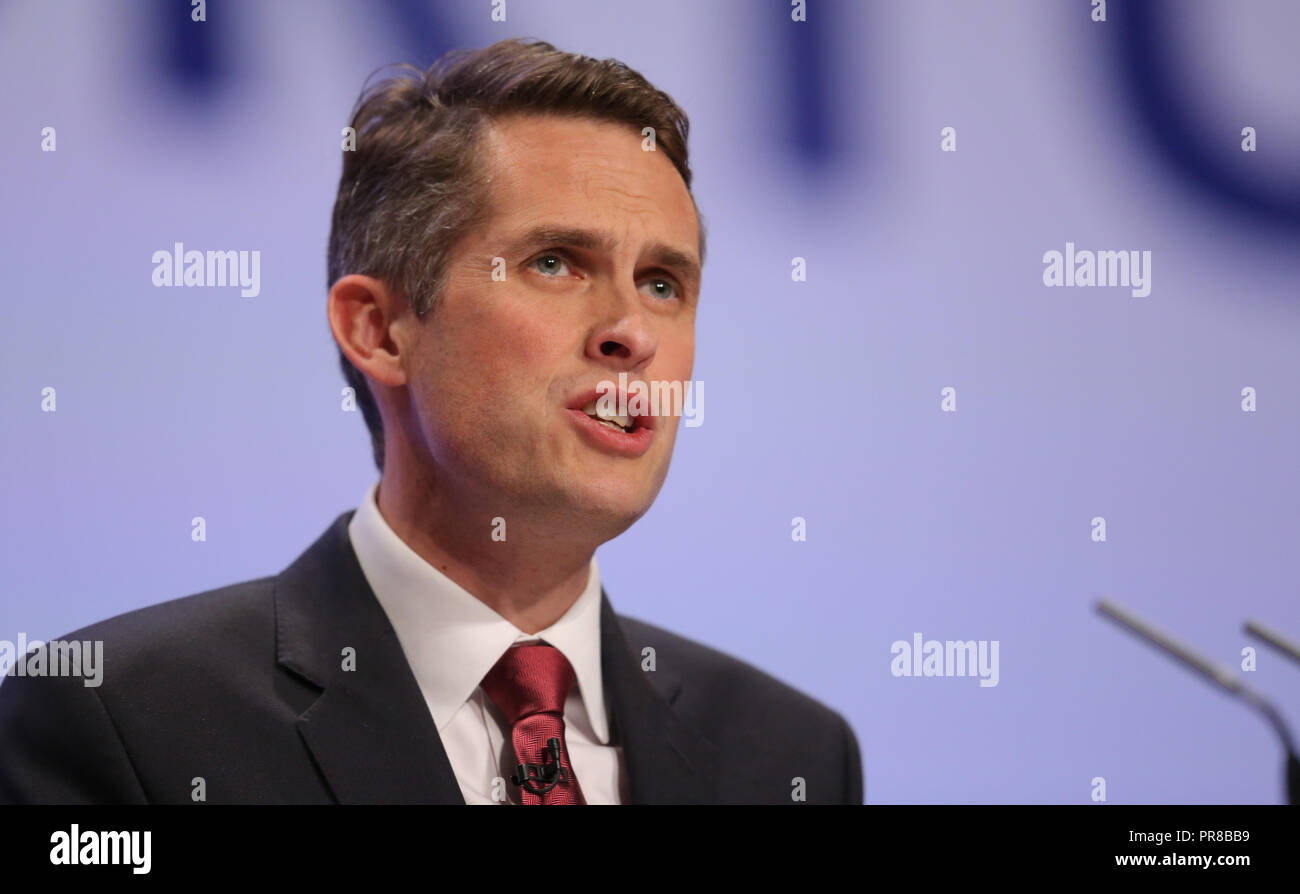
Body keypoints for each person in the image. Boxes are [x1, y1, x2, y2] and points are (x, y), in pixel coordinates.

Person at [0, 38, 863, 805]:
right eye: (556, 262)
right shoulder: (121, 721)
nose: (631, 332)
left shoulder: (790, 757)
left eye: (664, 283)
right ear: (378, 329)